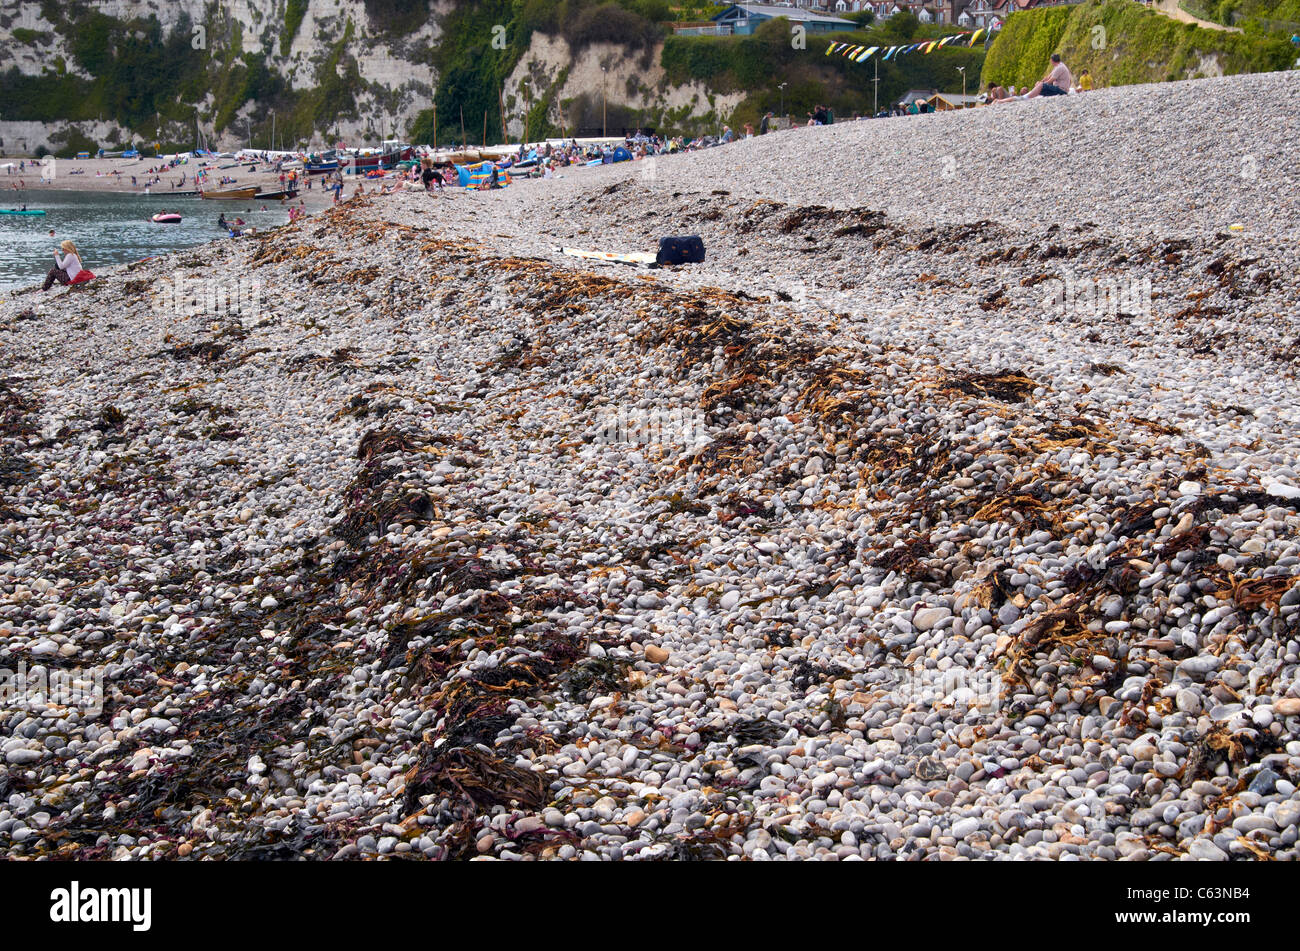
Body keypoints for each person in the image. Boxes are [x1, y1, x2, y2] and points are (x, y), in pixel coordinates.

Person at [1003, 54, 1073, 101]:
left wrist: (1041, 84)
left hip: (1061, 90)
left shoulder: (1060, 68)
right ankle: (1028, 95)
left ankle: (1026, 97)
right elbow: (1048, 77)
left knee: (1041, 86)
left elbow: (1050, 81)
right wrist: (1040, 82)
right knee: (1040, 85)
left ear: (1052, 60)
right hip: (1059, 89)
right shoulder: (1058, 66)